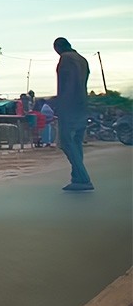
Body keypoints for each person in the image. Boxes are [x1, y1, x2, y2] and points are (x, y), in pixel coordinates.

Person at [53, 37, 93, 191]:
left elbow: (67, 84)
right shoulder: (82, 60)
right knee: (76, 141)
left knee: (66, 142)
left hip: (69, 105)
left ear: (58, 47)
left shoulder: (65, 59)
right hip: (82, 103)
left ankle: (83, 178)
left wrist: (60, 104)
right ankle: (77, 176)